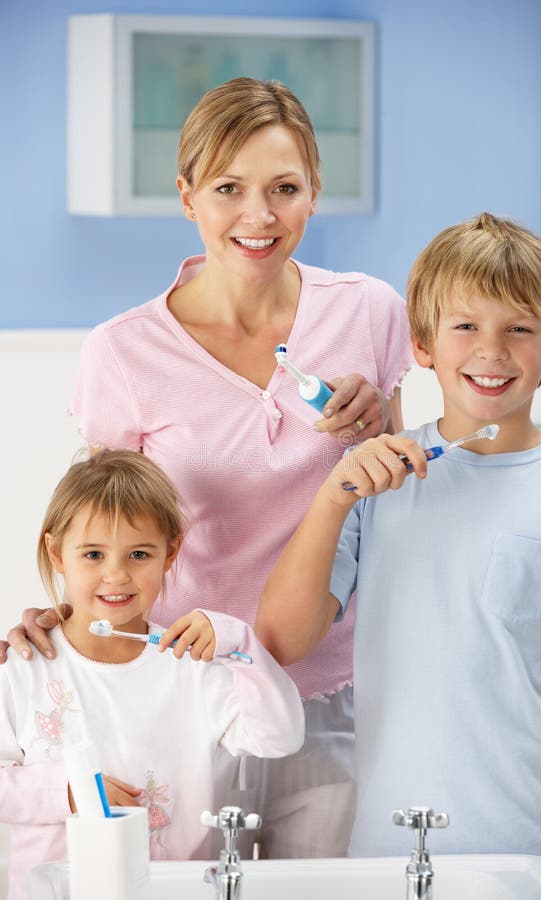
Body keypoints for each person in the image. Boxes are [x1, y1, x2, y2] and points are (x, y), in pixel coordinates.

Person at [3, 78, 413, 858]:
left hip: (334, 693)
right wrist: (61, 614)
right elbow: (110, 517)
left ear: (314, 195)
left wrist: (378, 420)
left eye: (283, 189)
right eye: (229, 188)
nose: (258, 217)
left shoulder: (370, 312)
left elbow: (395, 496)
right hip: (187, 698)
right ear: (188, 194)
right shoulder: (123, 352)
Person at [256, 212, 541, 895]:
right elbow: (283, 638)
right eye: (465, 326)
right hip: (390, 854)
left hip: (537, 854)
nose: (491, 351)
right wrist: (334, 497)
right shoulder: (372, 481)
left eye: (520, 328)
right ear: (422, 344)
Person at [0, 450, 304, 900]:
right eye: (93, 554)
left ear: (170, 553)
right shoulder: (23, 666)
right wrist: (70, 790)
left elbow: (280, 737)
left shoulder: (191, 666)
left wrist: (238, 642)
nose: (116, 574)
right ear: (56, 552)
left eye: (139, 553)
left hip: (172, 891)